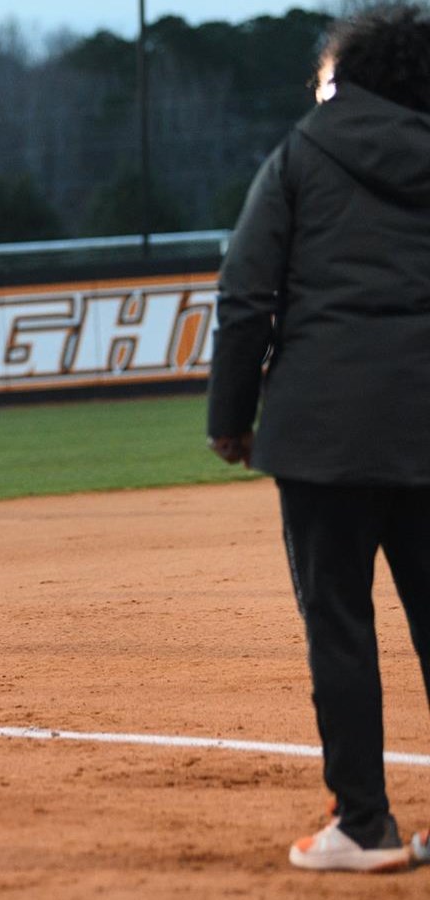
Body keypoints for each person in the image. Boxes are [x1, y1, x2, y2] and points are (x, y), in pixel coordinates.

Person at [206, 1, 430, 874]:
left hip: (323, 429)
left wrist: (231, 419)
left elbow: (245, 296)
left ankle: (364, 826)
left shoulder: (302, 151)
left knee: (339, 622)